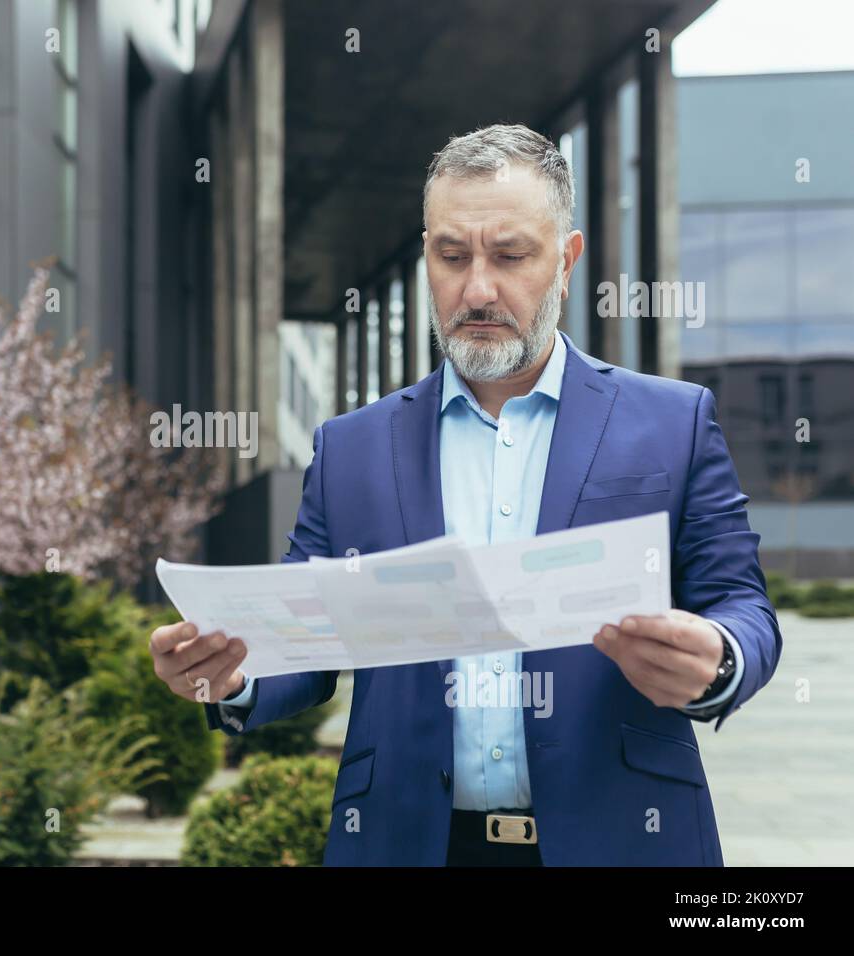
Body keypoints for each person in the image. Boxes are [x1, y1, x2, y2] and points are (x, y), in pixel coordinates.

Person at [148, 124, 781, 866]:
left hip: (622, 838)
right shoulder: (351, 447)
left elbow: (743, 605)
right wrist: (232, 673)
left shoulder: (674, 422)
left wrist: (722, 657)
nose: (477, 288)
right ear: (427, 257)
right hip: (408, 843)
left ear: (568, 259)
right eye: (451, 256)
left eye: (510, 256)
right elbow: (309, 641)